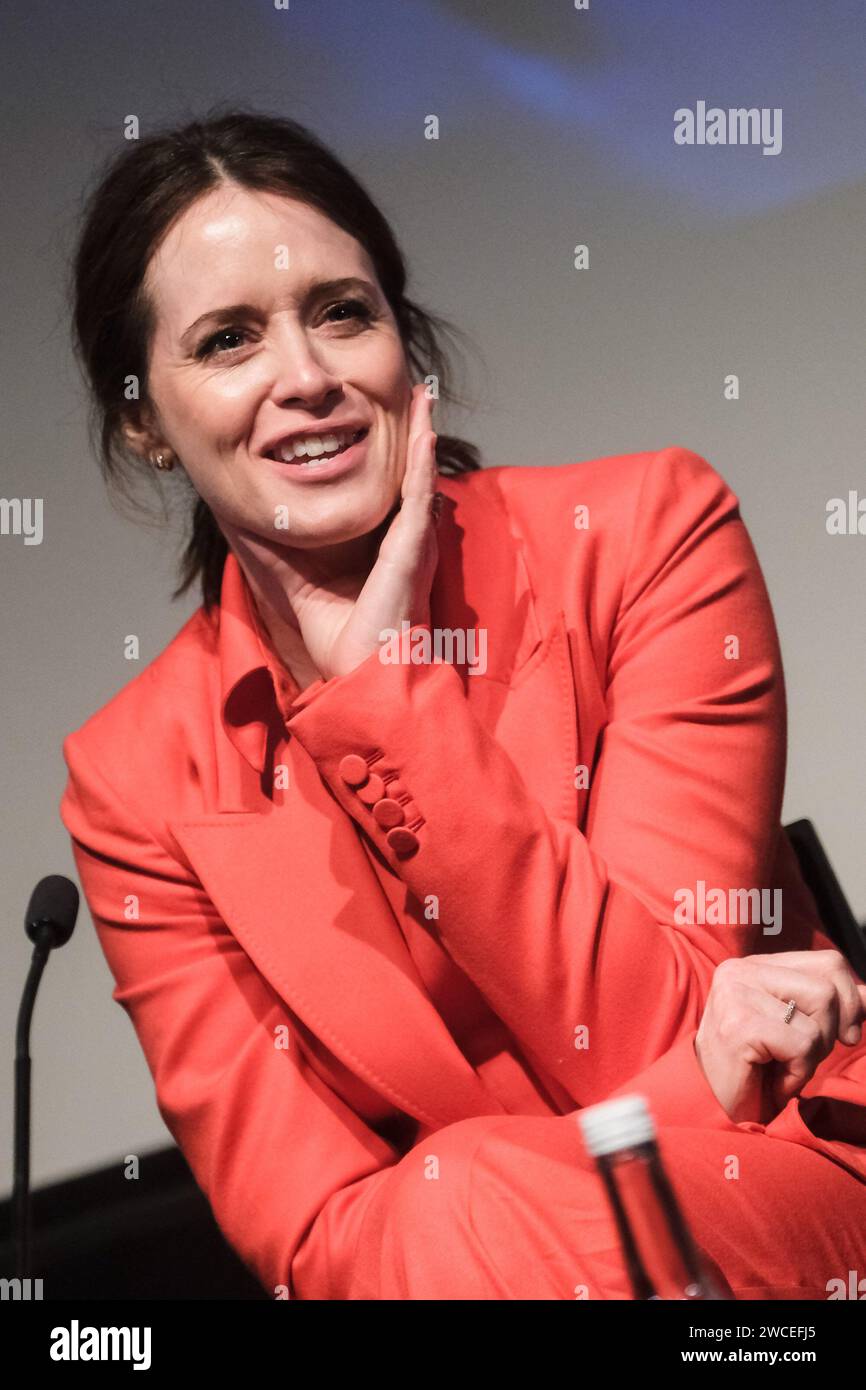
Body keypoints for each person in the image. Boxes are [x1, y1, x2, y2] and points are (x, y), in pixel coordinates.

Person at [60, 107, 866, 1301]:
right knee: (457, 1209)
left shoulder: (644, 536)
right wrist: (509, 1165)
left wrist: (386, 701)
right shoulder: (135, 780)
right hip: (464, 1268)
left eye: (342, 311)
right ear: (146, 421)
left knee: (452, 1203)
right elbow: (315, 1243)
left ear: (403, 340)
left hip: (771, 1196)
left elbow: (633, 1025)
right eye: (229, 340)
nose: (307, 378)